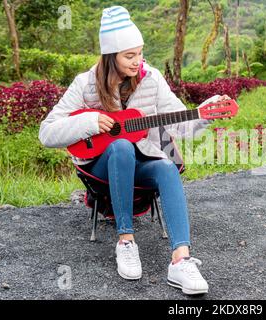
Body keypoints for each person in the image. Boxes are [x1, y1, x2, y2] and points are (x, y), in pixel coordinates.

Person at [39, 5, 231, 295]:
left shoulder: (151, 78)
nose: (137, 61)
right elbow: (47, 132)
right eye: (129, 55)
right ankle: (126, 241)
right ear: (110, 56)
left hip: (142, 161)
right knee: (120, 147)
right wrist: (89, 122)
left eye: (140, 53)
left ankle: (181, 260)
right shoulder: (85, 83)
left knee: (166, 167)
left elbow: (181, 126)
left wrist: (203, 116)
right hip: (100, 164)